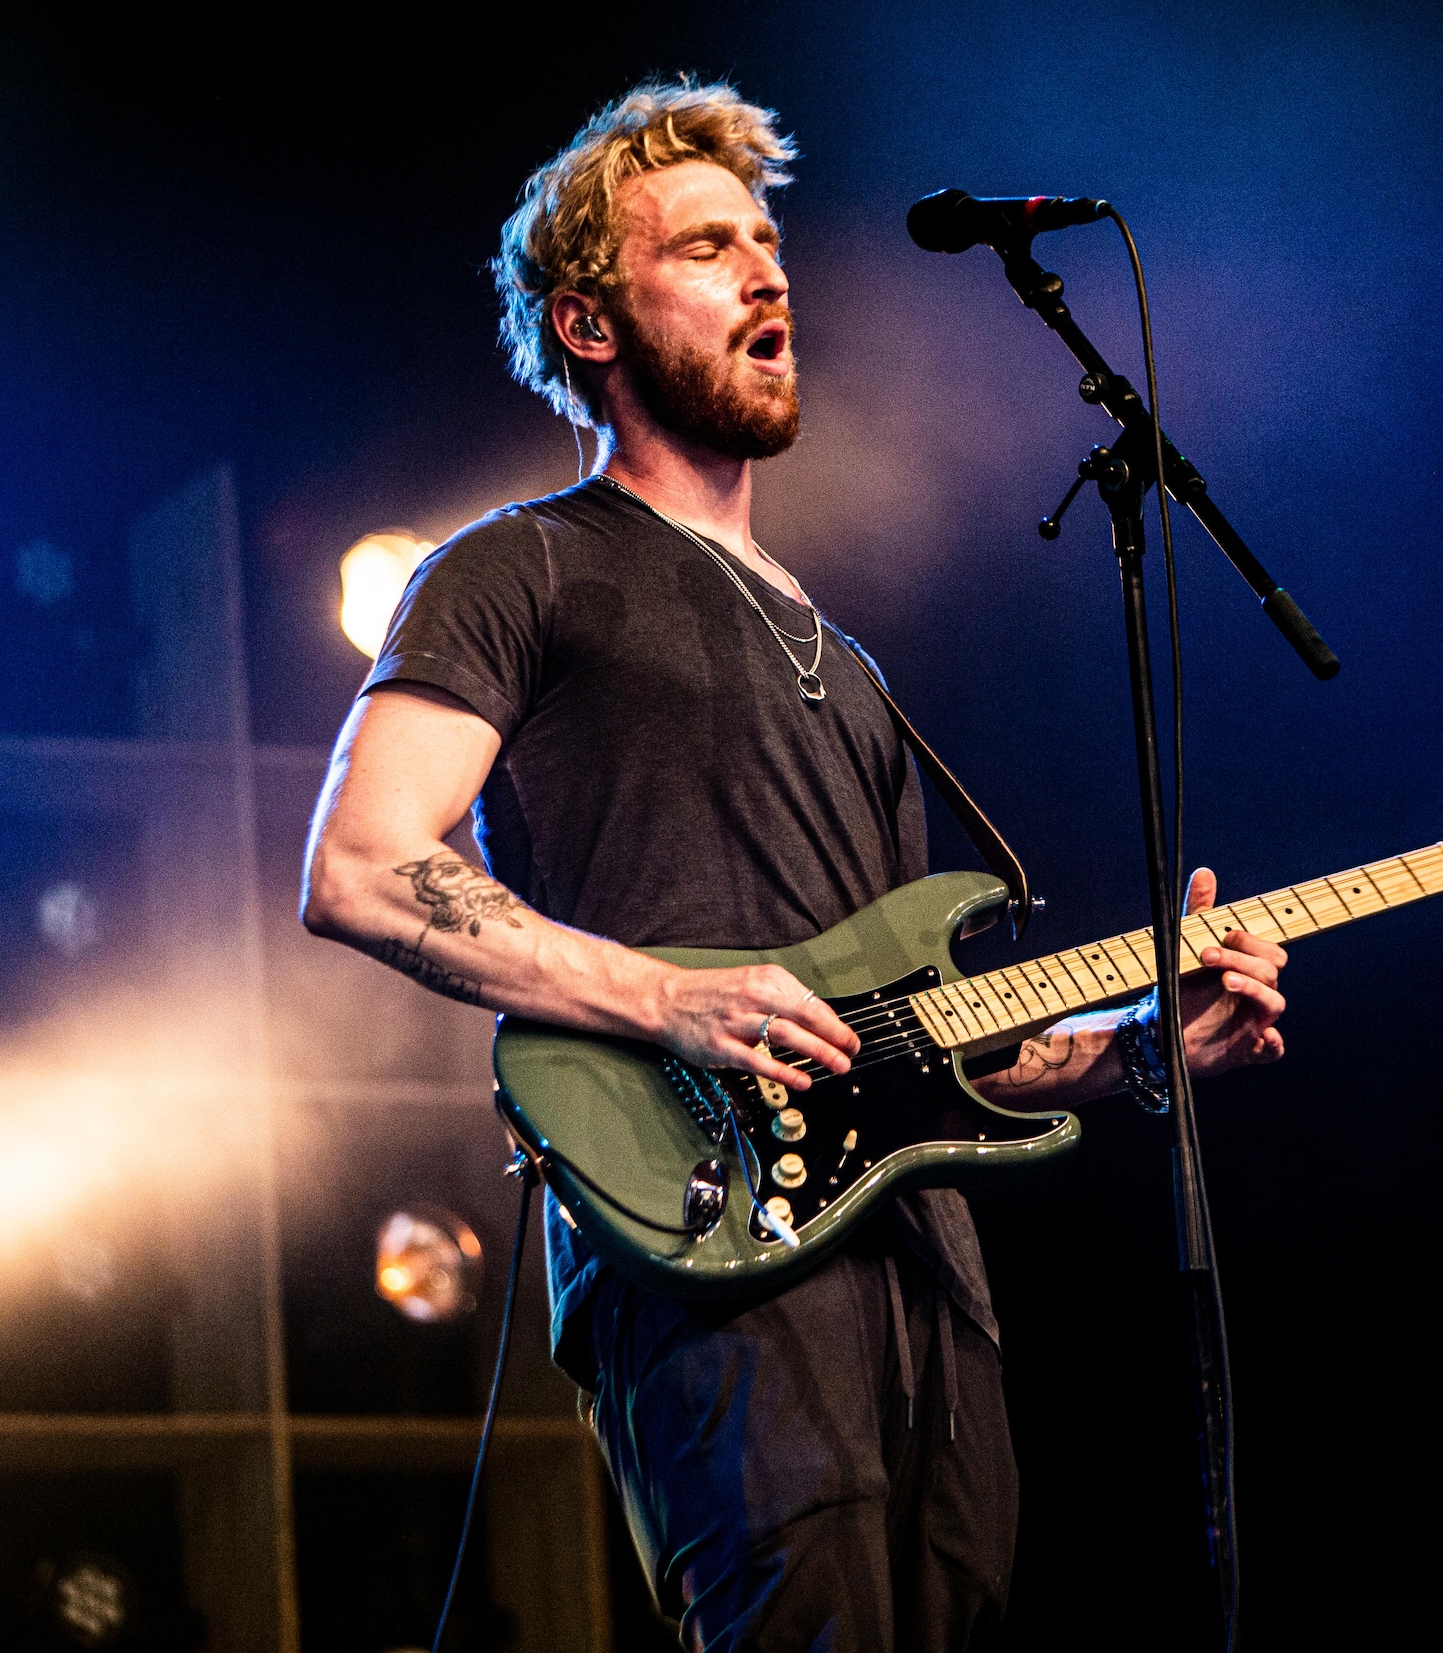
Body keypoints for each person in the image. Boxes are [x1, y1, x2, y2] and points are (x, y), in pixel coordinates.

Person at [300, 78, 1289, 1652]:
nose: (766, 271)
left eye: (767, 240)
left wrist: (1137, 1055)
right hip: (704, 1237)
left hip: (925, 1272)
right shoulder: (520, 568)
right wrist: (669, 1001)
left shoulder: (855, 662)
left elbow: (910, 1039)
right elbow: (360, 862)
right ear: (589, 324)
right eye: (705, 248)